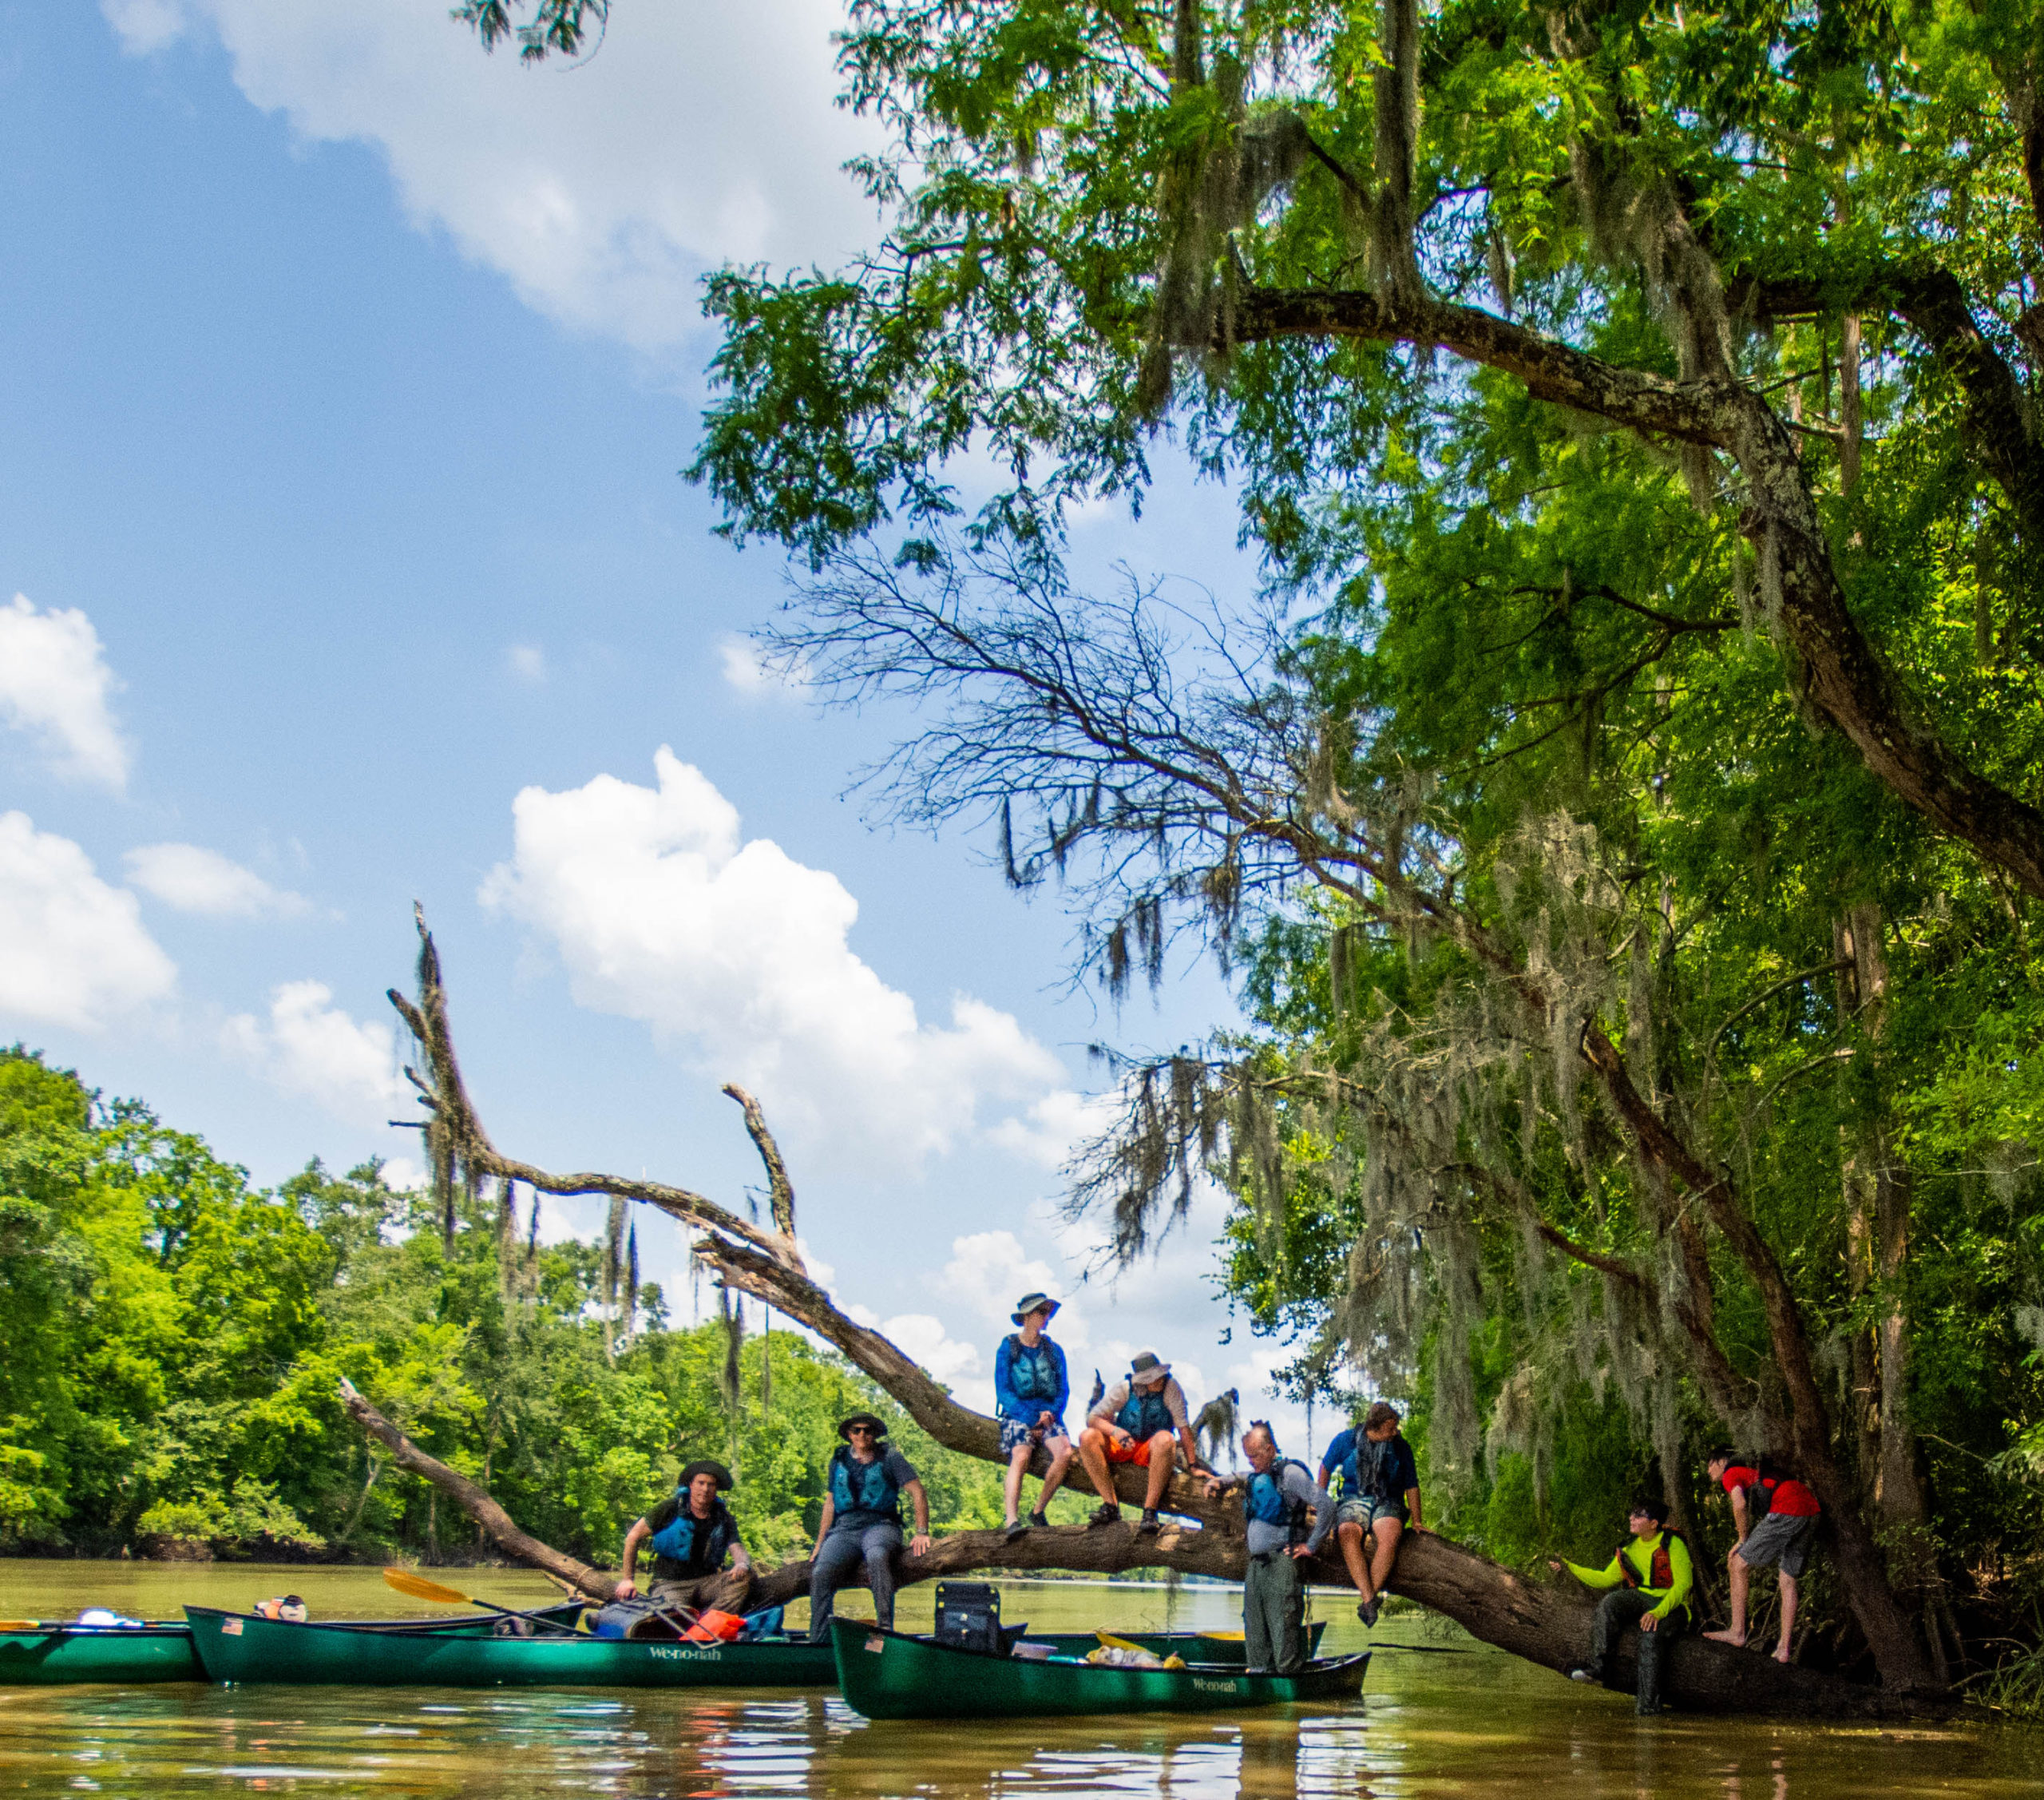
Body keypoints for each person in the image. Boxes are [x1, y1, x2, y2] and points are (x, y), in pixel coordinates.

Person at [1203, 1421, 1335, 1673]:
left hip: (1281, 1563)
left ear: (1270, 1448)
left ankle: (1288, 1678)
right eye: (1247, 1456)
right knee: (1254, 1632)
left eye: (1254, 1455)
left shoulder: (1291, 1474)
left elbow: (1327, 1505)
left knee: (1283, 1629)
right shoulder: (1258, 1476)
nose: (1251, 1461)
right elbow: (1241, 1476)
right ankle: (1260, 1678)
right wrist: (1219, 1480)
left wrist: (1311, 1545)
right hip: (1256, 1566)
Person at [1551, 1495, 1694, 1715]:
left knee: (1650, 1636)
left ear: (1653, 1523)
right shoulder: (1628, 1550)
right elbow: (1604, 1579)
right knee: (1611, 1602)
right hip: (1643, 1598)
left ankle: (1648, 1707)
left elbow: (1684, 1584)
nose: (1631, 1518)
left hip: (1672, 1607)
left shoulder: (1673, 1544)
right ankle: (1599, 1669)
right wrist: (1568, 1566)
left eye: (1638, 1515)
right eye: (1632, 1514)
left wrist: (1658, 1612)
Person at [806, 1413, 932, 1639]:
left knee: (876, 1556)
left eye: (868, 1430)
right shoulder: (839, 1460)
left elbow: (917, 1491)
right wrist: (819, 1543)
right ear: (849, 1434)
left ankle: (883, 1631)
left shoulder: (890, 1458)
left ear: (874, 1434)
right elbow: (830, 1502)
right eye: (857, 1430)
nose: (862, 1434)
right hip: (845, 1528)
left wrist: (922, 1532)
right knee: (821, 1572)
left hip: (882, 1524)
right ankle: (819, 1640)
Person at [1701, 1450, 1821, 1663]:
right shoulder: (1755, 1471)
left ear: (1722, 1462)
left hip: (1787, 1506)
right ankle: (1784, 1649)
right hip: (1810, 1509)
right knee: (1787, 1579)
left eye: (1710, 1465)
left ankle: (1737, 1632)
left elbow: (1739, 1505)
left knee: (1737, 1564)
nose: (1708, 1470)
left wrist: (1741, 1540)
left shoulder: (1731, 1473)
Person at [1076, 1352, 1214, 1535]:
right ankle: (1110, 1505)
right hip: (1124, 1446)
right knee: (1087, 1437)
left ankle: (1150, 1512)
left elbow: (1183, 1427)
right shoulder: (1125, 1388)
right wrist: (1116, 1431)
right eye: (1152, 1378)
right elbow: (1093, 1418)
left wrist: (1192, 1465)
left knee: (1166, 1439)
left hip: (1151, 1450)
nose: (1158, 1381)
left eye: (1158, 1376)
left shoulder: (1171, 1388)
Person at [1318, 1400, 1424, 1626]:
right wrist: (1320, 1500)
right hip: (1353, 1498)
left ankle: (1368, 1601)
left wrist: (1417, 1521)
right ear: (1376, 1426)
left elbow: (1411, 1484)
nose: (1395, 1432)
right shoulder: (1346, 1440)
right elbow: (1325, 1467)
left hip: (1388, 1501)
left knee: (1391, 1535)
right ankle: (1369, 1598)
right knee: (1346, 1531)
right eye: (1391, 1428)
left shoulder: (1400, 1447)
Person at [615, 1459, 751, 1606]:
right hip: (668, 1584)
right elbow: (633, 1537)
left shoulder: (723, 1517)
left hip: (707, 1584)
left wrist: (742, 1564)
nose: (705, 1489)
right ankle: (687, 1618)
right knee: (678, 1613)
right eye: (701, 1483)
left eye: (710, 1485)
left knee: (745, 1577)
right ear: (691, 1485)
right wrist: (628, 1579)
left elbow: (737, 1547)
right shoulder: (670, 1508)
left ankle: (710, 1621)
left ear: (716, 1489)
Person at [995, 1291, 1075, 1540]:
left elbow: (1063, 1388)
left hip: (1050, 1415)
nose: (1046, 1317)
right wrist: (1030, 1418)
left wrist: (1051, 1413)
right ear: (1027, 1316)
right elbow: (1003, 1389)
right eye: (1041, 1312)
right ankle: (1011, 1520)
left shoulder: (1054, 1350)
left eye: (1047, 1312)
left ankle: (1038, 1511)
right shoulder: (1008, 1346)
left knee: (1065, 1453)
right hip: (1018, 1413)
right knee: (1021, 1454)